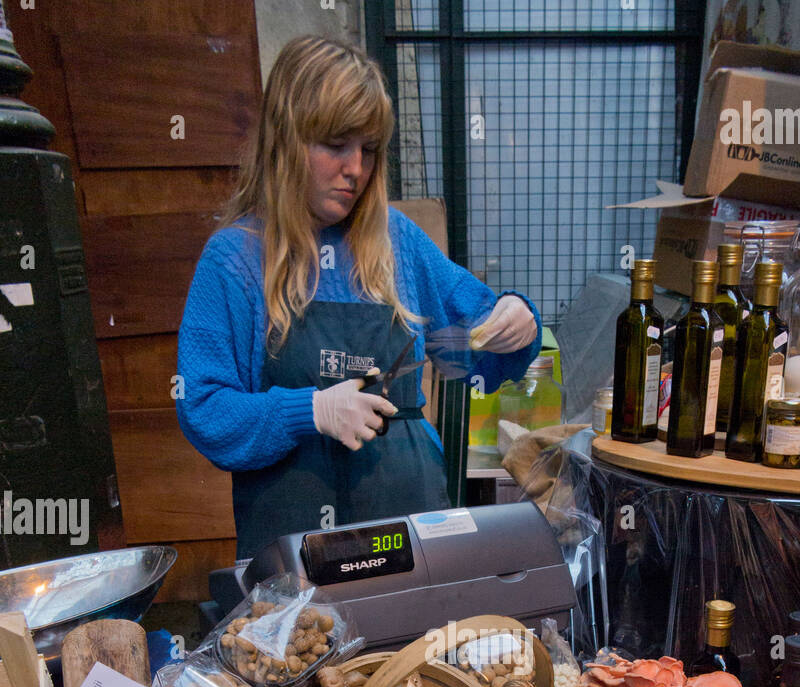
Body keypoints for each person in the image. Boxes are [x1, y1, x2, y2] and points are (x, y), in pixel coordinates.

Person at [177, 36, 542, 558]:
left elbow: (473, 348)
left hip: (411, 537)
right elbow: (205, 410)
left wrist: (518, 319)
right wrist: (310, 411)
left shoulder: (397, 241)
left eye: (368, 150)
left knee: (417, 644)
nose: (356, 169)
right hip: (297, 555)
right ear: (286, 139)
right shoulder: (236, 259)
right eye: (336, 145)